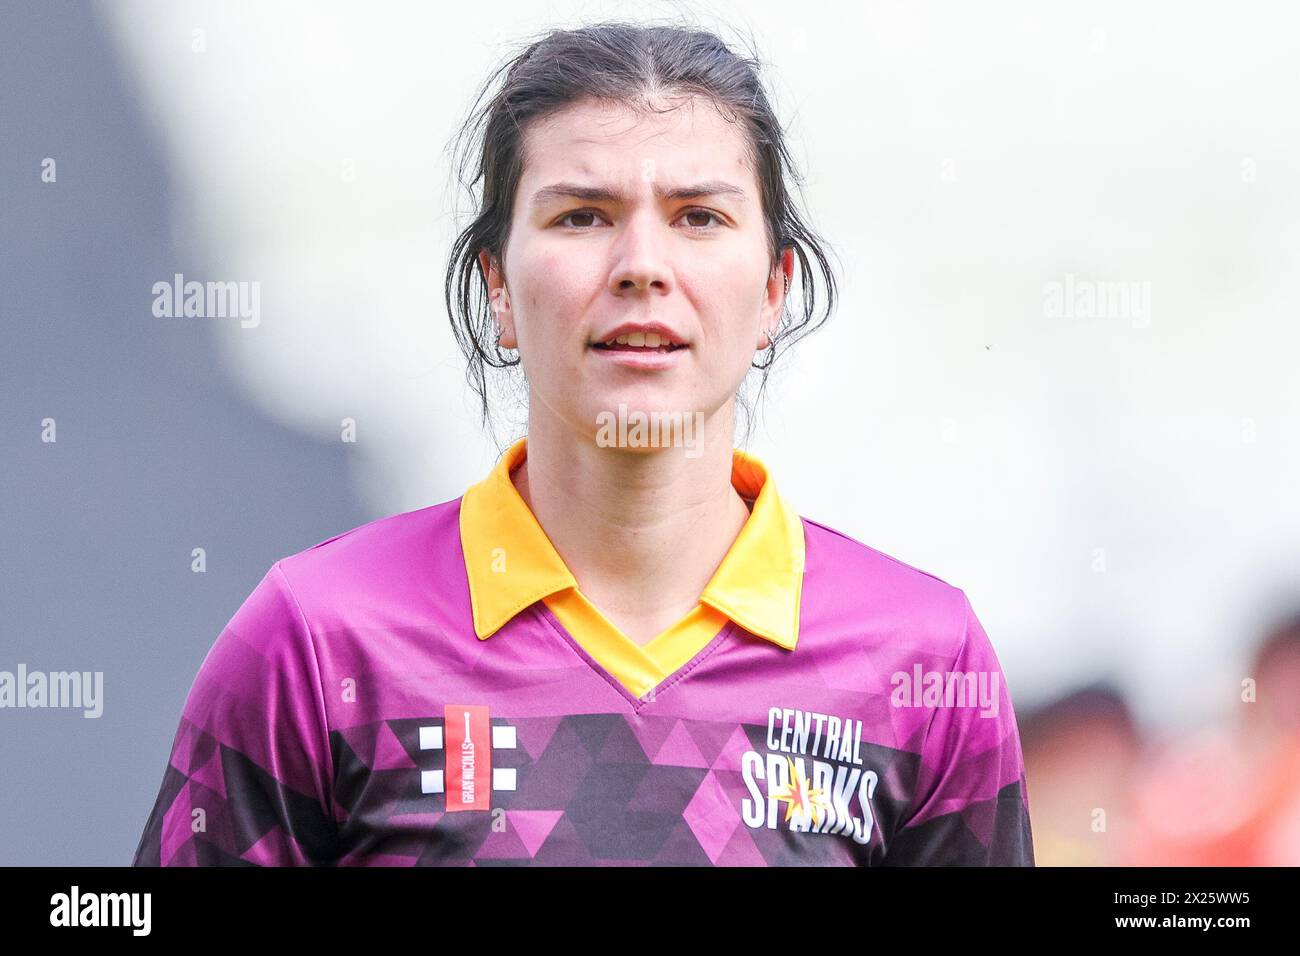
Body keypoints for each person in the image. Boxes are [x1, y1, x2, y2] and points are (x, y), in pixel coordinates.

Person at [132, 20, 1034, 866]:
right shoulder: (319, 641)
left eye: (699, 217)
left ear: (773, 293)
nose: (643, 264)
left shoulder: (926, 659)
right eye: (581, 216)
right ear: (496, 289)